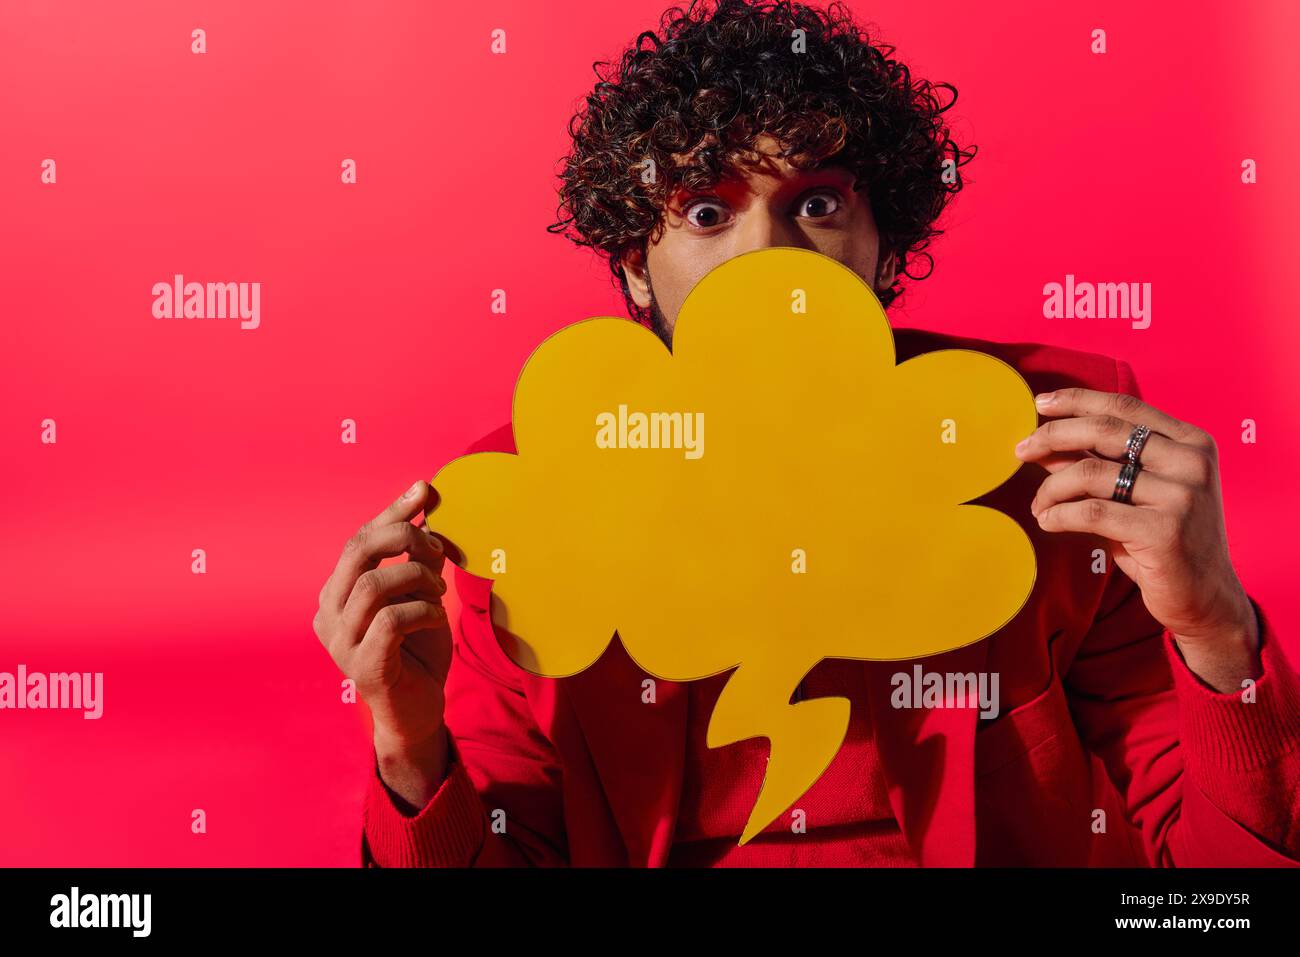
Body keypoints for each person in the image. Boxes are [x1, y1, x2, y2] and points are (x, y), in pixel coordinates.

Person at [313, 0, 1299, 866]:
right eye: (705, 211)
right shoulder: (511, 511)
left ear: (883, 245)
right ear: (630, 269)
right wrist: (406, 746)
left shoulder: (1058, 451)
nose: (768, 261)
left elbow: (1210, 889)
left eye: (816, 204)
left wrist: (1217, 631)